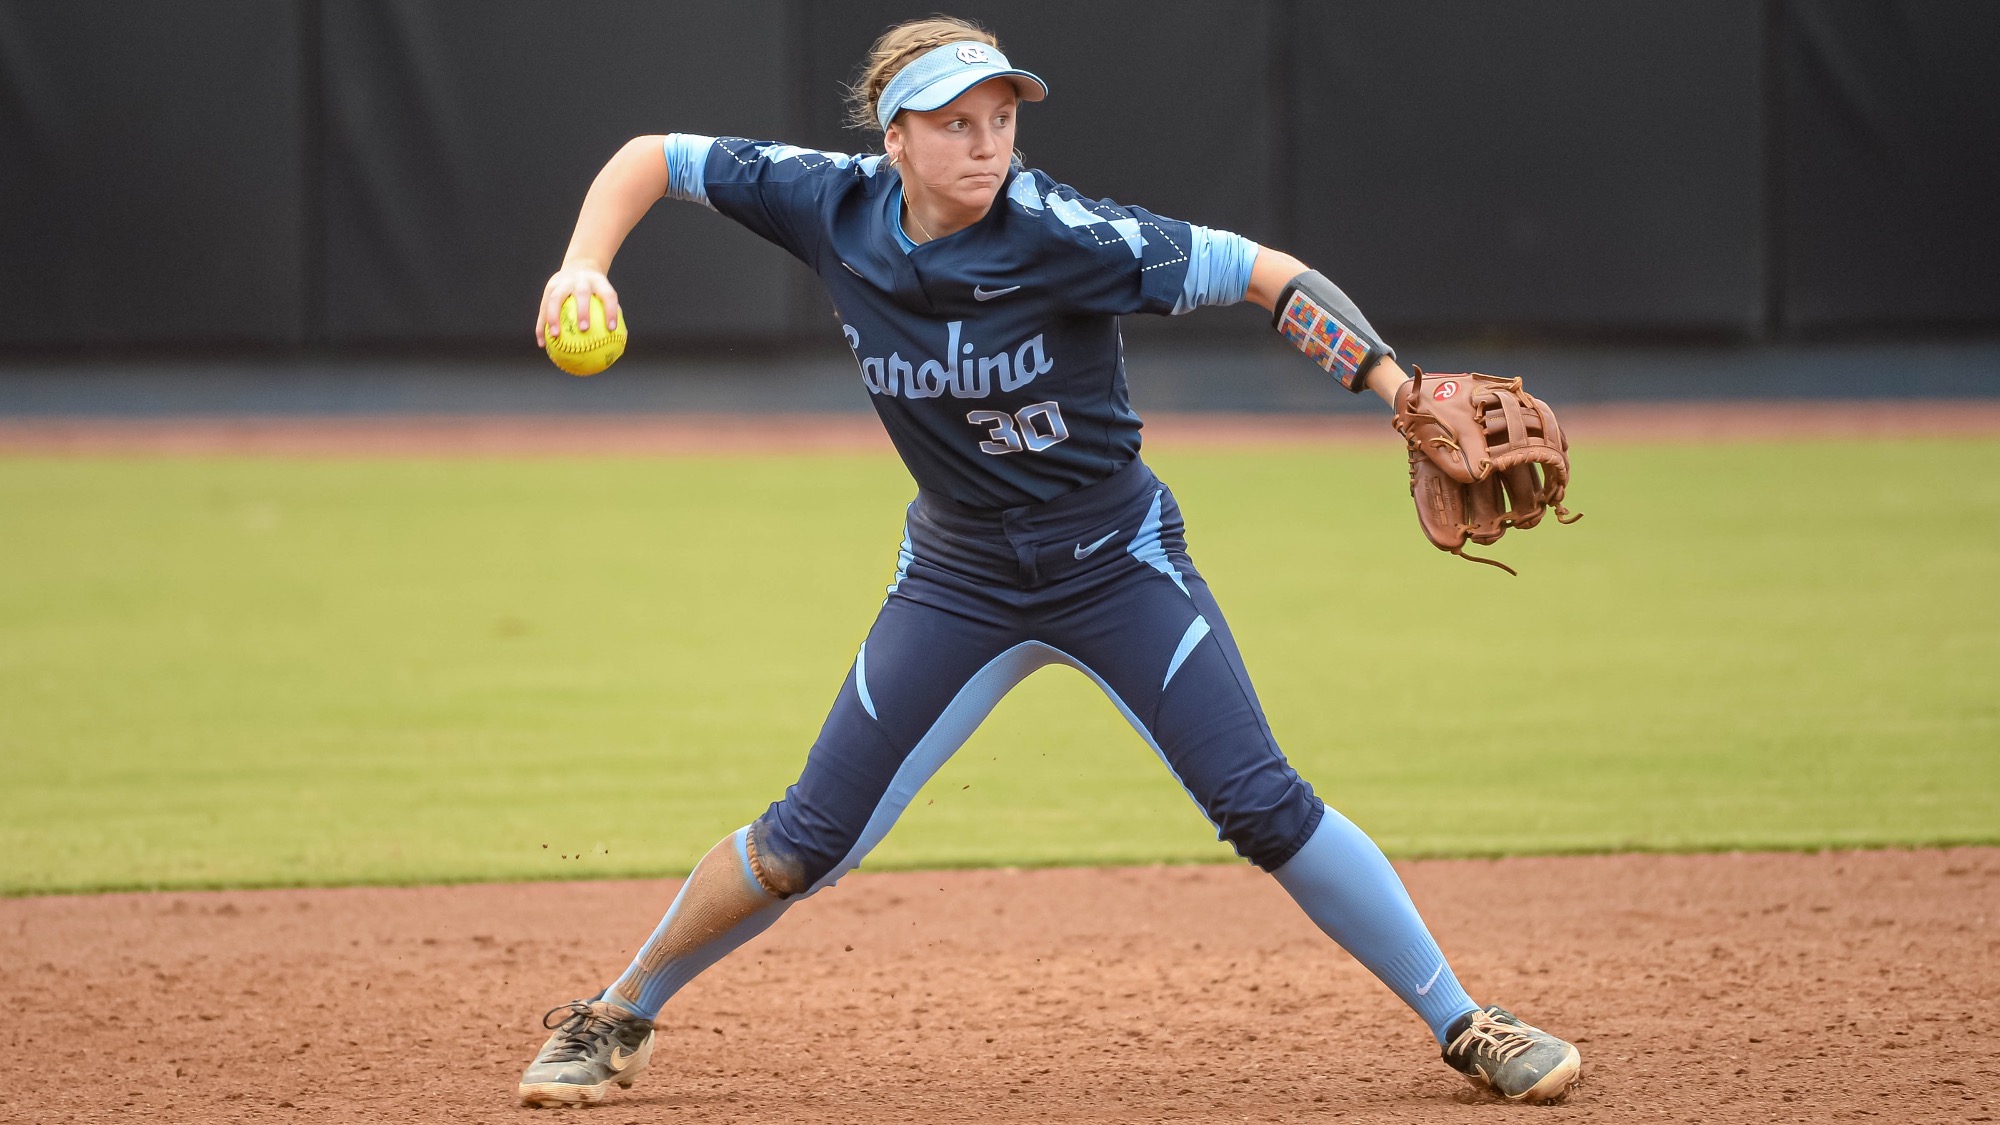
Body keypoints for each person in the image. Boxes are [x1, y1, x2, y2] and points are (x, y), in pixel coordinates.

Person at [519, 15, 1581, 1109]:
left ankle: (1465, 1021)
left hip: (1115, 563)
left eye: (1000, 118)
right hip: (957, 579)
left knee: (1261, 805)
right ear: (894, 139)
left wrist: (1394, 387)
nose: (987, 144)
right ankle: (615, 1016)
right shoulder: (824, 201)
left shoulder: (1067, 233)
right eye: (955, 124)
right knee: (803, 841)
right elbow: (651, 157)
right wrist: (579, 268)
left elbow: (1268, 276)